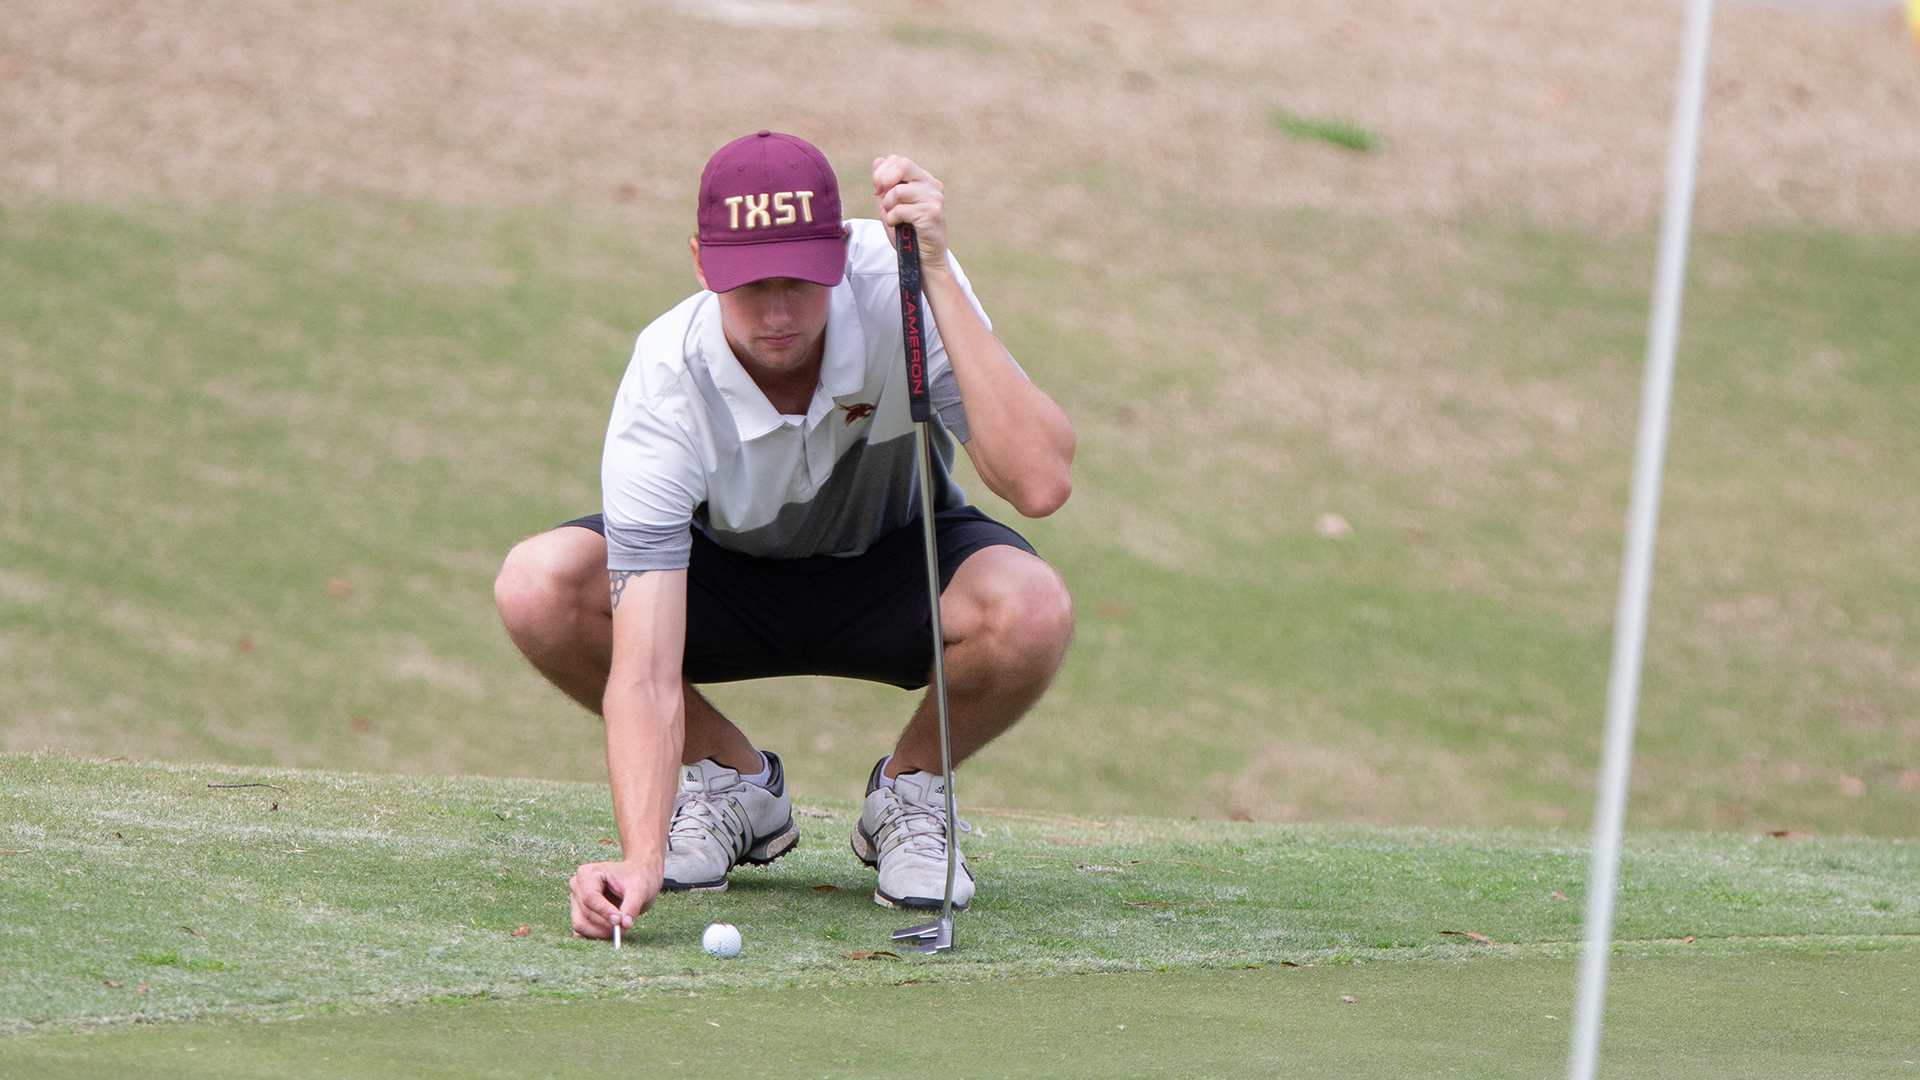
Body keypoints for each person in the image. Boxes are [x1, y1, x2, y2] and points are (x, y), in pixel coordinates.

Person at [492, 131, 1077, 940]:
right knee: (538, 585)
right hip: (722, 576)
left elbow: (1040, 481)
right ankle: (731, 783)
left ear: (839, 252)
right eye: (748, 283)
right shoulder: (667, 378)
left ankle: (909, 793)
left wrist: (938, 274)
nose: (776, 313)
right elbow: (645, 675)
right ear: (702, 265)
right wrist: (639, 859)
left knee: (1033, 608)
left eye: (801, 281)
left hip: (896, 558)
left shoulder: (902, 284)